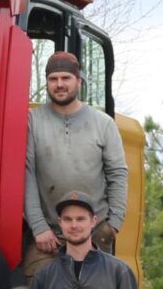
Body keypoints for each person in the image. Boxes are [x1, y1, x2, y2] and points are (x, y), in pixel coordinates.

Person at [21, 52, 128, 268]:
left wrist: (113, 224)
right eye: (53, 79)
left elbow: (117, 173)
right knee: (40, 284)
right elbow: (26, 173)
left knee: (95, 288)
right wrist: (39, 227)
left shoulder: (103, 123)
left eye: (66, 78)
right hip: (48, 236)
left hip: (94, 233)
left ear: (78, 81)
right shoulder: (32, 121)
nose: (59, 84)